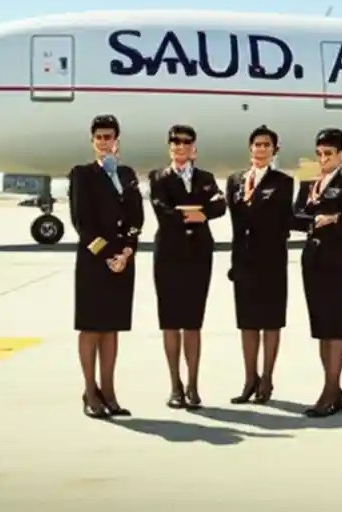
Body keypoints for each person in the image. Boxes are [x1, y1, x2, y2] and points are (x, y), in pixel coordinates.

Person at [68, 114, 144, 419]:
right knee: (91, 328)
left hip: (122, 262)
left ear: (117, 141)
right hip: (94, 262)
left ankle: (109, 392)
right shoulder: (82, 174)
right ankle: (90, 391)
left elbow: (136, 219)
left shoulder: (127, 174)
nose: (104, 142)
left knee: (111, 329)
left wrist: (125, 253)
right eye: (99, 137)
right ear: (92, 141)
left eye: (109, 137)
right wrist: (108, 255)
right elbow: (81, 222)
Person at [147, 124, 226, 409]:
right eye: (175, 142)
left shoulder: (206, 178)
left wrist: (200, 212)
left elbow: (220, 205)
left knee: (193, 324)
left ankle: (193, 386)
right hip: (168, 256)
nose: (180, 147)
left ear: (194, 148)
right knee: (170, 324)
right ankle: (175, 386)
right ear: (169, 147)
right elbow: (162, 210)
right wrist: (195, 213)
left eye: (185, 142)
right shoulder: (158, 176)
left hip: (198, 256)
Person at [291, 127, 342, 417]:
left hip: (340, 260)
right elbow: (295, 218)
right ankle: (331, 387)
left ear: (340, 155)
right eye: (320, 153)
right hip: (313, 258)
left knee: (337, 326)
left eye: (329, 153)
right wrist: (320, 218)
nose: (323, 159)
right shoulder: (308, 184)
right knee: (321, 328)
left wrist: (330, 217)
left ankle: (331, 390)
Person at [225, 125, 295, 404]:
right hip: (243, 260)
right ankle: (249, 378)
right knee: (247, 324)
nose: (261, 149)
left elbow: (280, 220)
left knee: (271, 323)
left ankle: (267, 378)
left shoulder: (283, 182)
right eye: (257, 144)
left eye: (267, 145)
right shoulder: (235, 180)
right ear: (250, 148)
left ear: (274, 150)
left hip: (271, 261)